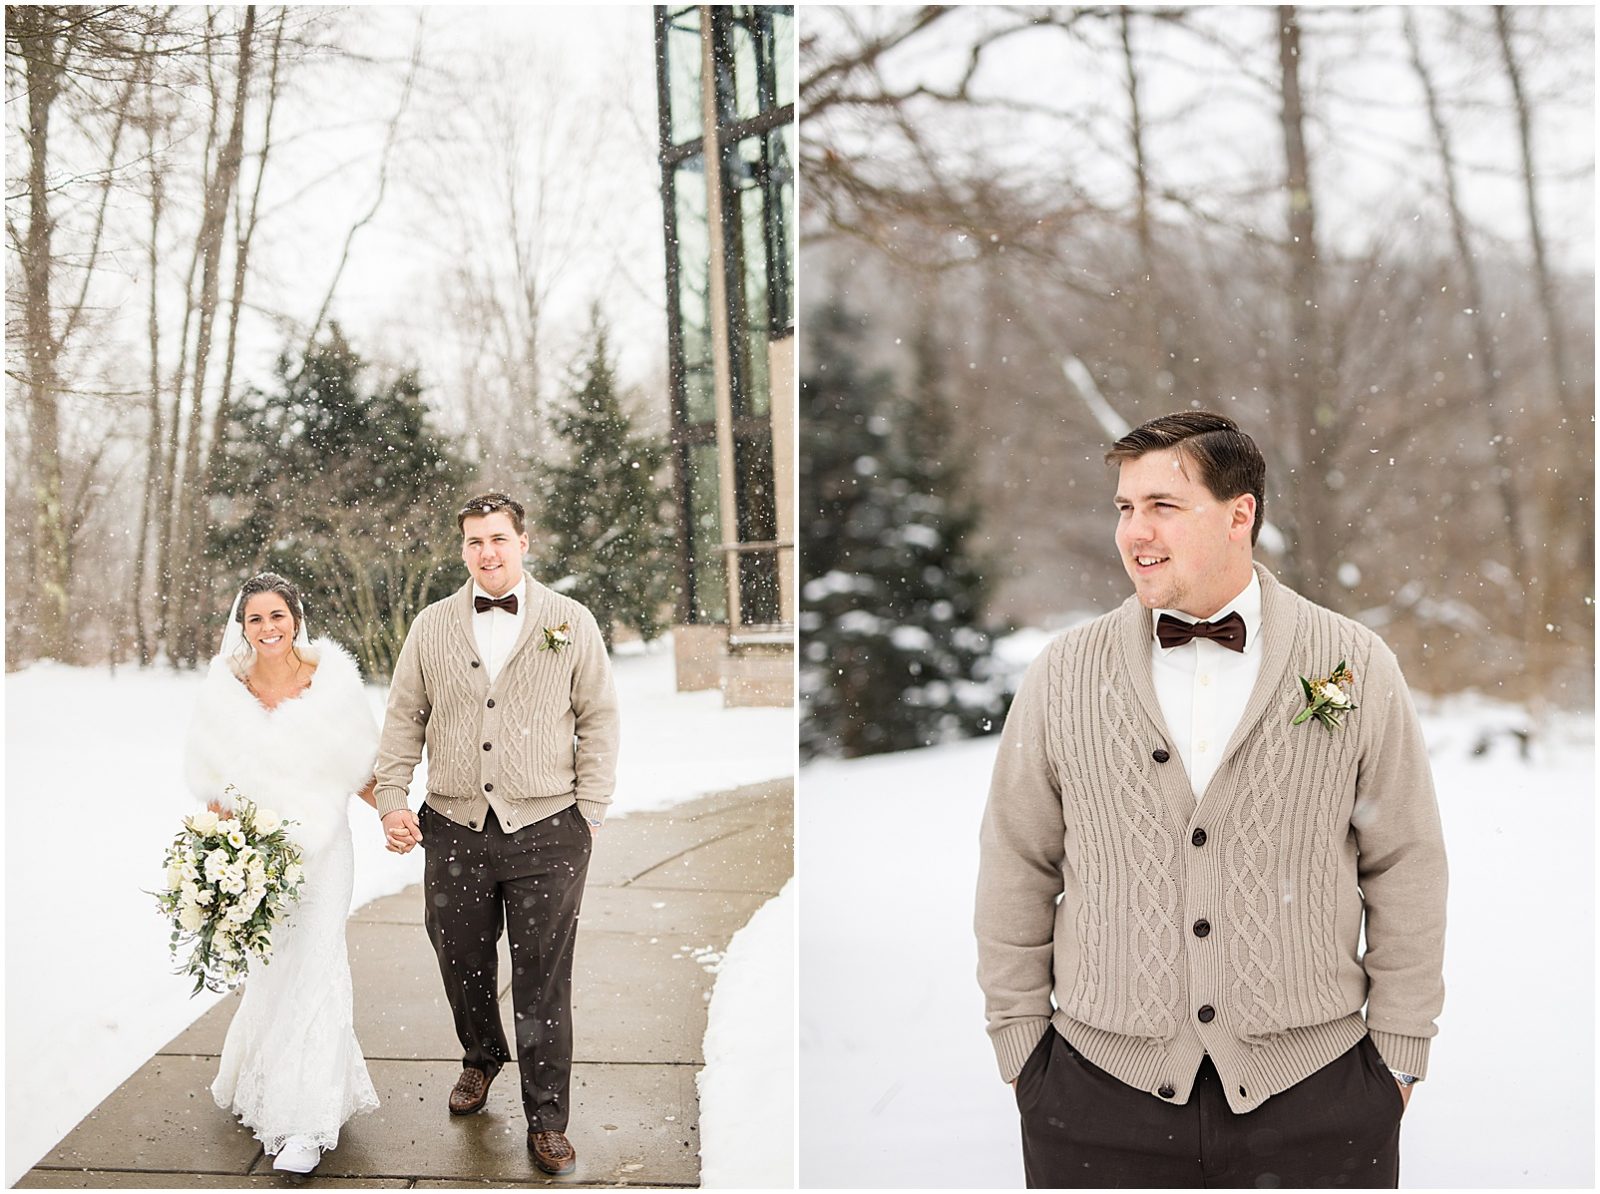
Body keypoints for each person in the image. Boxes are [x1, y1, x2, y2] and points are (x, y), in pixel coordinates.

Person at [975, 411, 1447, 1188]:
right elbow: (1017, 860)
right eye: (1125, 508)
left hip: (1319, 1094)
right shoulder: (1061, 675)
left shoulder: (1351, 664)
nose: (1135, 532)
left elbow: (1406, 861)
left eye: (1164, 505)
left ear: (1240, 514)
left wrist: (1396, 1054)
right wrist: (1025, 1049)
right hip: (1095, 1096)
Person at [372, 491, 619, 1177]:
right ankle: (480, 1056)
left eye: (499, 540)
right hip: (452, 826)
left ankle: (547, 1119)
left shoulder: (570, 621)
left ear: (524, 542)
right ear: (463, 550)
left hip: (549, 829)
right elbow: (402, 719)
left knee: (544, 980)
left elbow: (599, 717)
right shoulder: (431, 625)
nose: (488, 553)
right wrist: (393, 796)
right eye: (475, 542)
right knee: (462, 961)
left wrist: (590, 810)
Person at [185, 571, 381, 1177]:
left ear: (296, 617)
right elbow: (216, 786)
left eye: (277, 616)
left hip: (324, 855)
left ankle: (306, 1122)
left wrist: (403, 815)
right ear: (241, 628)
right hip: (258, 858)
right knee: (274, 974)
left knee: (318, 968)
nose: (268, 629)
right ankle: (272, 1082)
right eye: (255, 619)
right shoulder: (227, 692)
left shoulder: (333, 687)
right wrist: (215, 864)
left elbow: (365, 771)